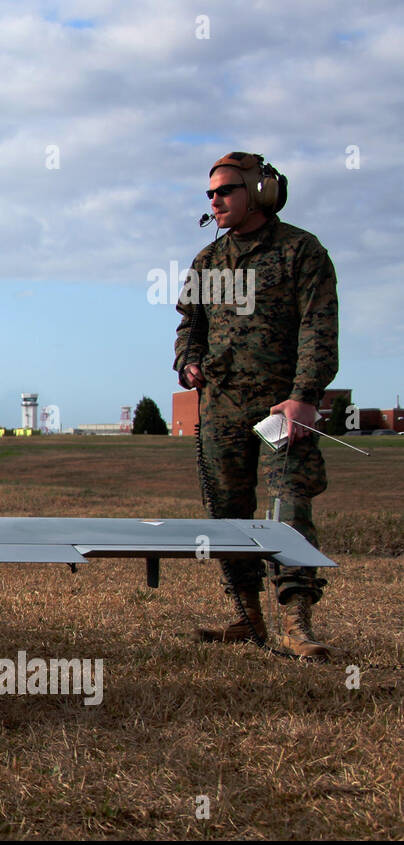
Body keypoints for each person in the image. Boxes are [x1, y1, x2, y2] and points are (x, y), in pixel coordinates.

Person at [173, 152, 338, 659]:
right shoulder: (207, 260)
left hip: (280, 407)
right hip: (220, 408)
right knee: (227, 514)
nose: (215, 200)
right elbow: (189, 327)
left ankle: (296, 621)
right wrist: (188, 362)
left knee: (286, 508)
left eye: (225, 190)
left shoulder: (300, 252)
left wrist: (304, 396)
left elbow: (318, 328)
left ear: (259, 193)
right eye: (210, 194)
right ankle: (247, 616)